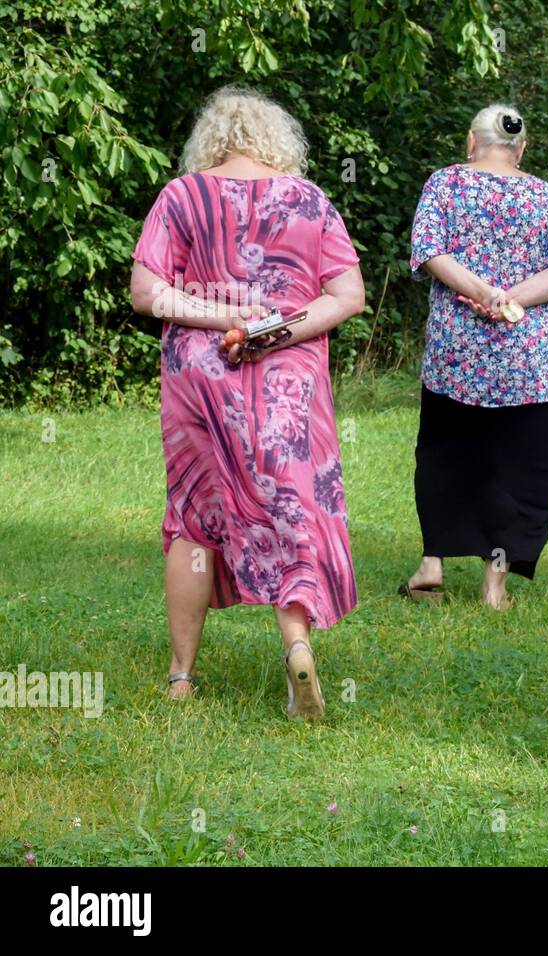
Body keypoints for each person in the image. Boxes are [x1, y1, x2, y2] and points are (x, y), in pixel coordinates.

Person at [128, 85, 366, 720]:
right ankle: (296, 647)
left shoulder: (182, 196)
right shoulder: (310, 199)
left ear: (209, 141)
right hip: (288, 374)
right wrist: (271, 327)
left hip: (199, 372)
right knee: (289, 502)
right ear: (276, 141)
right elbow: (347, 295)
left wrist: (219, 312)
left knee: (195, 517)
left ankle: (181, 678)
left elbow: (149, 294)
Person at [403, 103, 548, 610]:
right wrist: (512, 299)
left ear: (470, 142)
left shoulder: (444, 184)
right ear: (520, 149)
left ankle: (432, 565)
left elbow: (429, 250)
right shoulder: (544, 195)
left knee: (444, 454)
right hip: (525, 361)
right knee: (518, 467)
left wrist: (484, 292)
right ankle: (494, 586)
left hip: (455, 356)